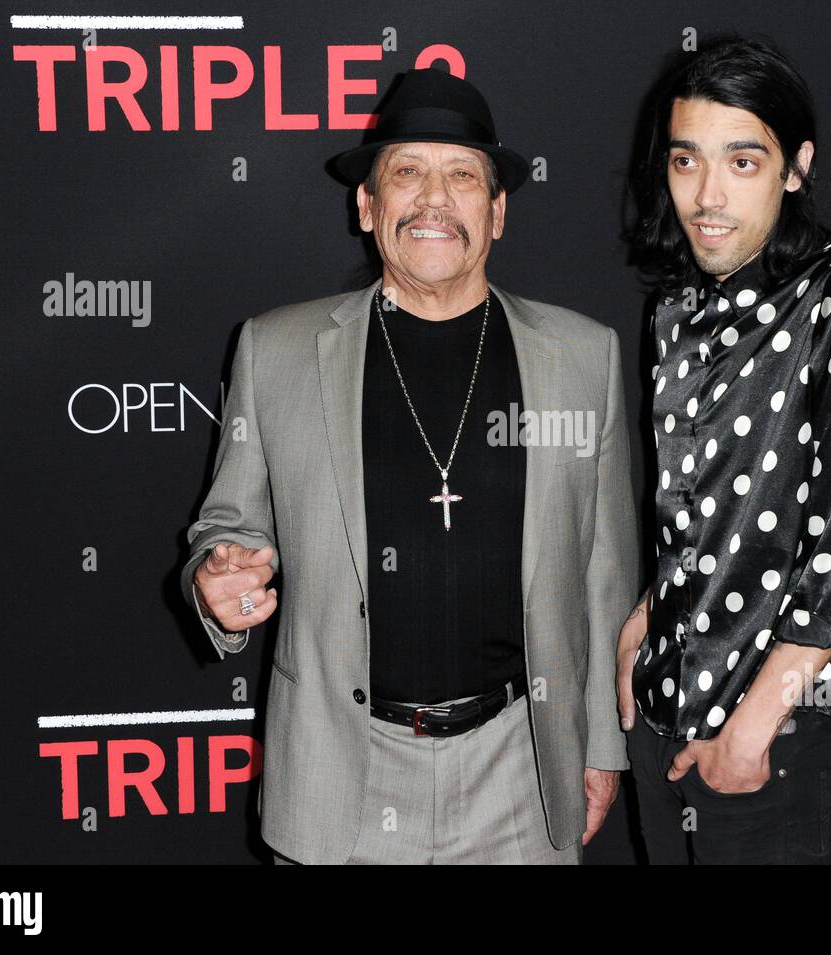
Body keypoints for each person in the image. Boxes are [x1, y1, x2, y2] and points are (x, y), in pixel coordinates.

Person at [180, 67, 639, 864]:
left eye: (463, 175)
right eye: (406, 172)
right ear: (367, 204)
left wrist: (601, 743)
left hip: (520, 767)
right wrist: (215, 579)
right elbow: (228, 524)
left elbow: (606, 571)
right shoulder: (276, 351)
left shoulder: (582, 356)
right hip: (341, 773)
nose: (434, 199)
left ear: (497, 212)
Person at [616, 35, 831, 864]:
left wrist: (749, 736)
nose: (707, 195)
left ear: (796, 167)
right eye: (687, 161)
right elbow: (690, 498)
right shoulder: (677, 307)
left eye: (742, 162)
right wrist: (644, 620)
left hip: (766, 745)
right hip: (661, 711)